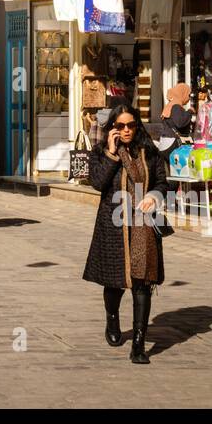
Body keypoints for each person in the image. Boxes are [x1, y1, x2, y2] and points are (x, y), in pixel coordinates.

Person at [82, 104, 168, 364]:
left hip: (143, 223)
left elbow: (163, 182)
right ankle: (112, 319)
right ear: (112, 128)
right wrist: (110, 153)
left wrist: (154, 196)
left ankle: (139, 345)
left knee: (143, 283)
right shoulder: (100, 152)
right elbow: (98, 183)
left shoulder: (149, 151)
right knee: (115, 282)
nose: (127, 130)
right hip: (113, 224)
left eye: (131, 125)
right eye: (121, 126)